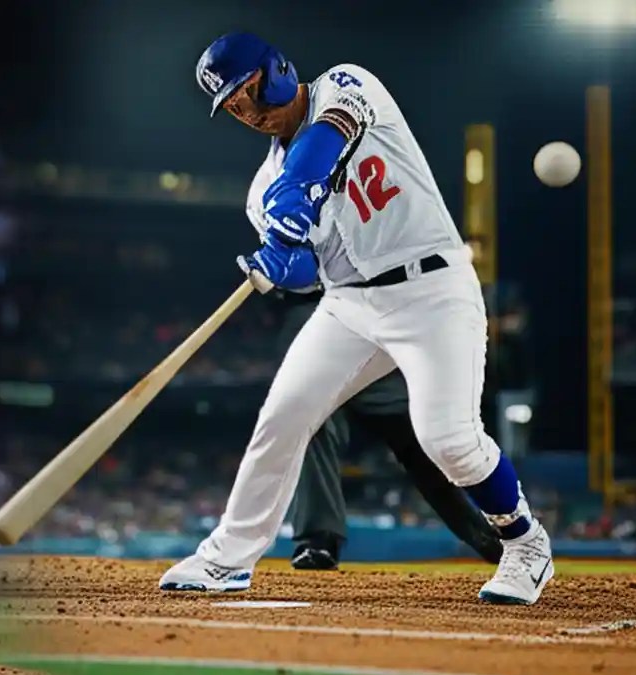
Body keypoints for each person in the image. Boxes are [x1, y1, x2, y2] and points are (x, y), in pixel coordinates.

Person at [159, 33, 553, 604]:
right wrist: (279, 261)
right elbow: (312, 271)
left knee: (449, 440)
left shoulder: (347, 83)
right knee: (284, 416)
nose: (248, 113)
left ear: (275, 72)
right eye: (235, 107)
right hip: (350, 305)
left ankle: (525, 544)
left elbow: (326, 139)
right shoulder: (261, 191)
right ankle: (228, 559)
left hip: (433, 290)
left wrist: (295, 200)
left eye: (247, 93)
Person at [269, 288, 503, 570]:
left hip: (371, 321)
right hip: (312, 325)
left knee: (423, 441)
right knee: (308, 421)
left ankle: (492, 537)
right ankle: (319, 541)